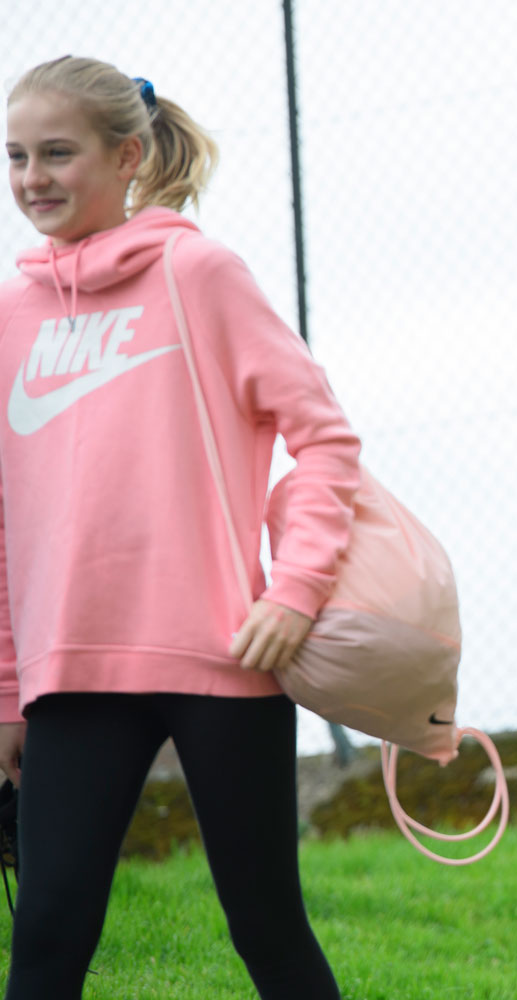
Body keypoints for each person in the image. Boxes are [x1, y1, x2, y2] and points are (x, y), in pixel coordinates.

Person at [0, 57, 358, 998]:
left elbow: (323, 440)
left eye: (57, 153)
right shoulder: (10, 316)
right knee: (43, 940)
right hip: (71, 673)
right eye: (16, 156)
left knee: (269, 933)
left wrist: (295, 591)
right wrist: (6, 686)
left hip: (222, 658)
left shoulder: (199, 273)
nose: (32, 177)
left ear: (126, 156)